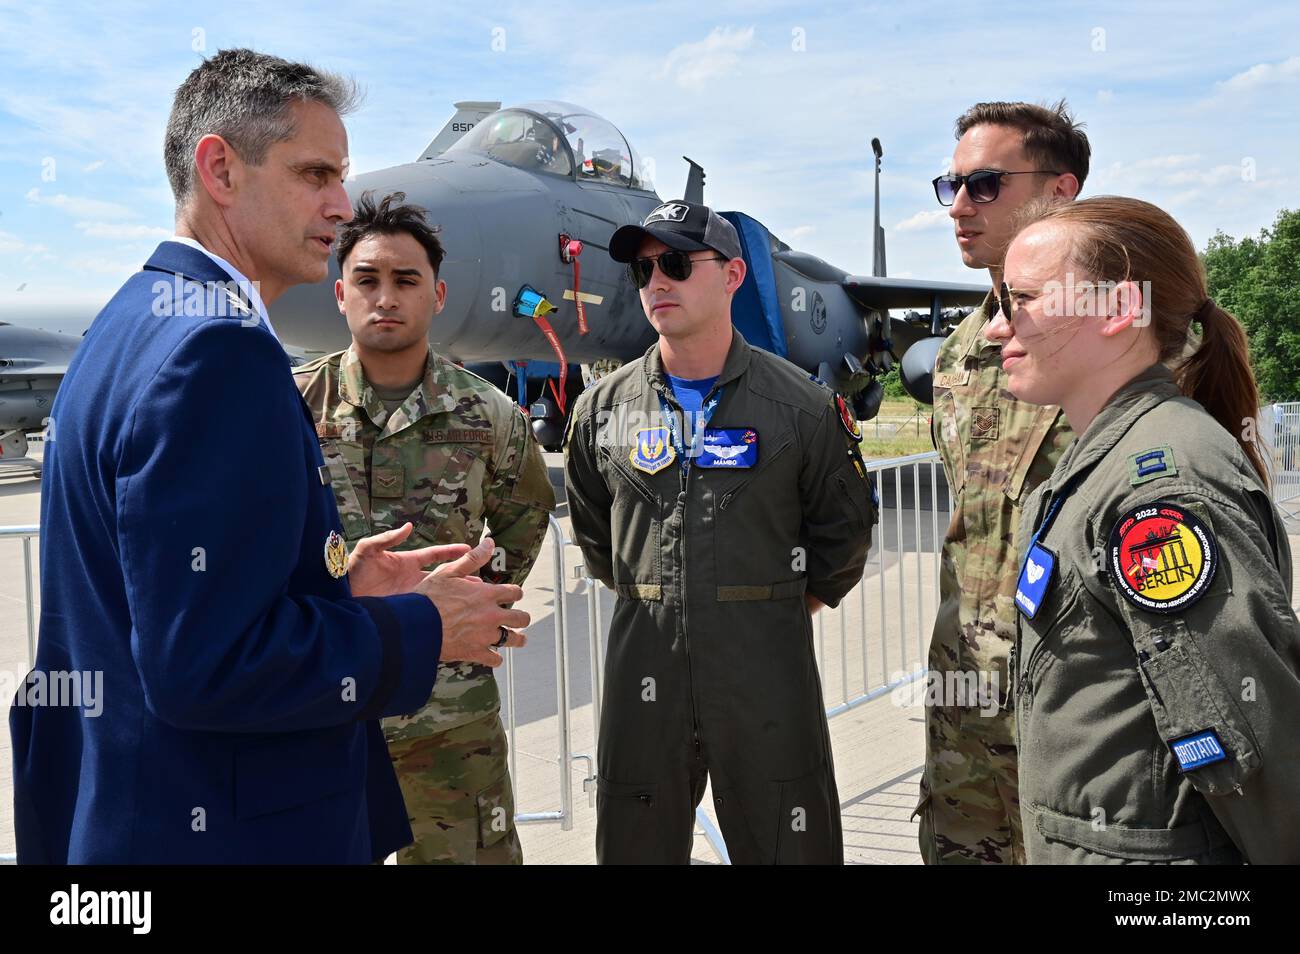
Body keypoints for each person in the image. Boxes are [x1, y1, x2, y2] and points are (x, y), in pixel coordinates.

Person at [8, 49, 528, 865]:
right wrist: (419, 627)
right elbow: (204, 668)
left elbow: (162, 601)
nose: (341, 202)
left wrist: (329, 587)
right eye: (315, 173)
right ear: (220, 168)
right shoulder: (216, 351)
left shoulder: (133, 321)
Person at [987, 195, 1300, 863]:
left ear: (1121, 309)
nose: (994, 327)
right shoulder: (1104, 456)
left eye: (1023, 299)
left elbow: (1248, 739)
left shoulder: (1156, 482)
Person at [564, 200, 876, 864]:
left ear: (734, 275)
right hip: (644, 667)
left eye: (676, 262)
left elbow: (842, 535)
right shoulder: (602, 410)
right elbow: (597, 534)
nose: (657, 281)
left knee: (789, 844)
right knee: (634, 843)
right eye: (643, 268)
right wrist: (659, 592)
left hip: (764, 670)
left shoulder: (802, 408)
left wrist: (764, 604)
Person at [295, 191, 555, 864]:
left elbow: (524, 521)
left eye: (406, 280)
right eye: (367, 280)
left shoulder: (491, 415)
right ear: (340, 295)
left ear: (437, 297)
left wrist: (474, 607)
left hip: (451, 721)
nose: (386, 297)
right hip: (323, 709)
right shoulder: (288, 408)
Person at [918, 101, 1087, 864]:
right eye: (951, 185)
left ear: (1061, 190)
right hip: (968, 716)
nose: (959, 207)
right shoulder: (958, 355)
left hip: (1079, 713)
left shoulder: (1136, 341)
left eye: (984, 185)